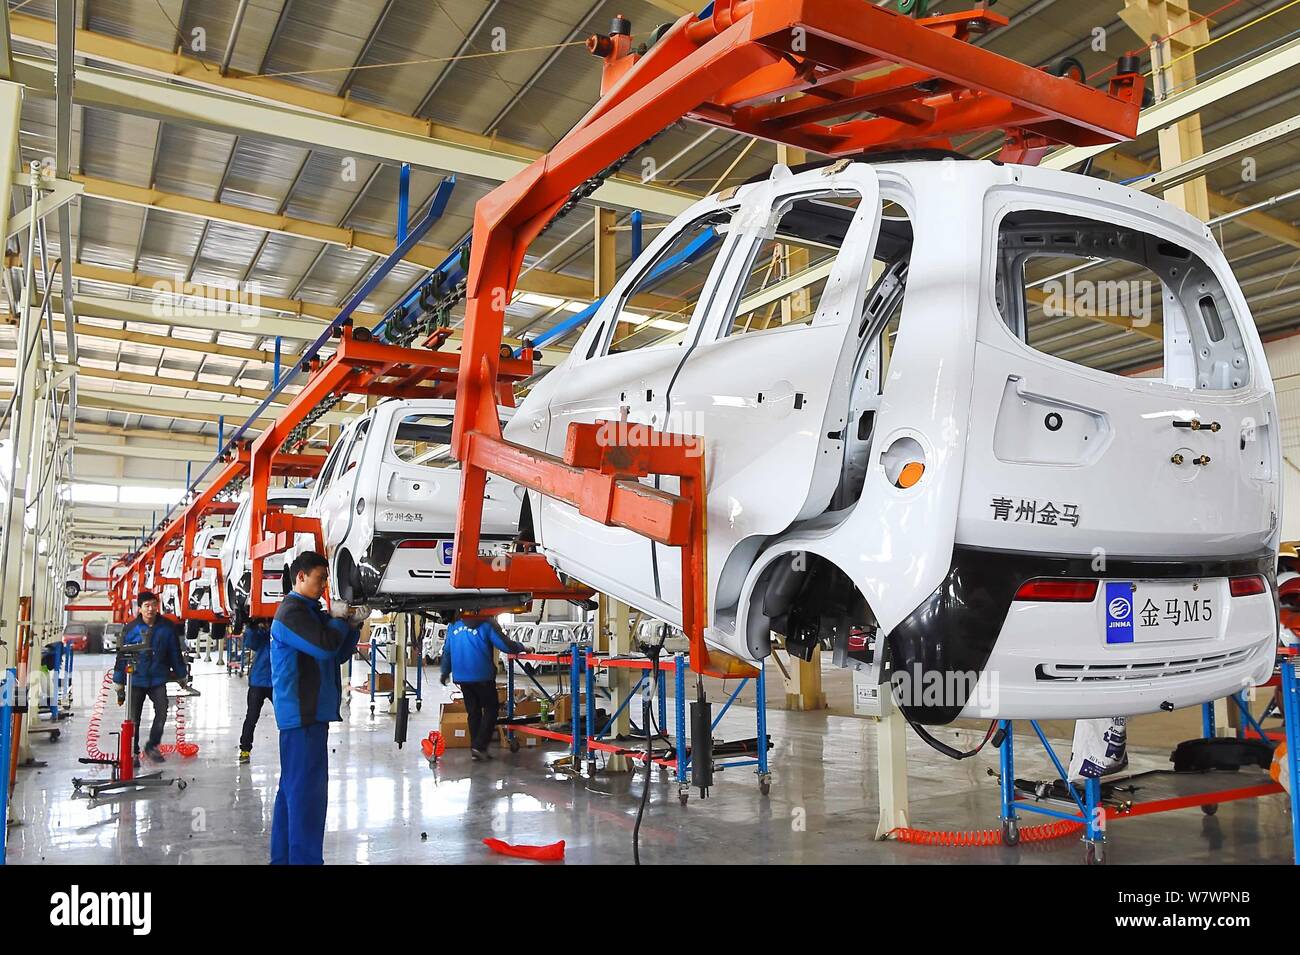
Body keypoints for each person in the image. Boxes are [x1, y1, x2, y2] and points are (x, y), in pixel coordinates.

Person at [269, 551, 363, 865]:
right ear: (300, 577)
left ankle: (282, 860)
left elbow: (336, 653)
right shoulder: (292, 612)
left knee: (291, 792)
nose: (324, 585)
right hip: (302, 716)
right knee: (307, 796)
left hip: (308, 716)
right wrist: (337, 620)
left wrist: (352, 625)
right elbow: (324, 647)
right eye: (320, 578)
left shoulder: (310, 612)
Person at [112, 591, 189, 762]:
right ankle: (133, 752)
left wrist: (181, 675)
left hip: (157, 678)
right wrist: (119, 681)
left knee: (162, 711)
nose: (151, 609)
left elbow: (175, 653)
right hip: (136, 679)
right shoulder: (130, 629)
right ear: (139, 609)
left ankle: (152, 746)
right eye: (147, 605)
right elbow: (121, 656)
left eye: (154, 605)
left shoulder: (167, 627)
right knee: (133, 719)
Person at [439, 613, 524, 760]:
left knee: (474, 712)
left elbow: (447, 651)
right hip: (482, 676)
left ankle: (476, 749)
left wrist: (445, 672)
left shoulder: (454, 625)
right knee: (491, 709)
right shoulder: (486, 624)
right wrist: (522, 647)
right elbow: (505, 645)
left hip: (462, 678)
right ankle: (479, 746)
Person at [238, 619, 273, 764]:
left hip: (274, 683)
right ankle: (245, 749)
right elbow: (250, 642)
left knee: (286, 717)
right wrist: (251, 626)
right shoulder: (262, 636)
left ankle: (293, 748)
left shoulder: (280, 634)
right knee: (251, 717)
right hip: (259, 683)